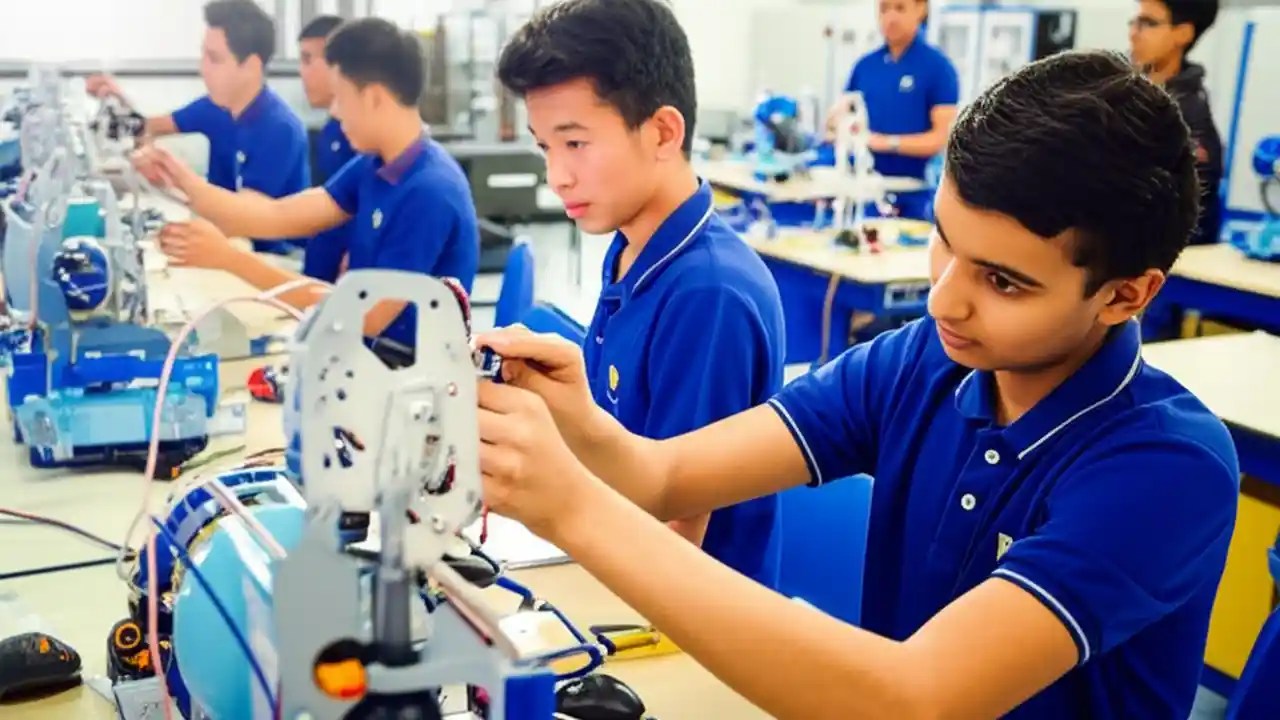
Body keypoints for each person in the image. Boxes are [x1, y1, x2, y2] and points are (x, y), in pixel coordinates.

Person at [475, 51, 1239, 718]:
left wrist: (570, 507)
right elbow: (667, 477)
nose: (943, 298)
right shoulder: (922, 362)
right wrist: (574, 417)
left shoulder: (1165, 466)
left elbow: (914, 699)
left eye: (1003, 282)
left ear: (1125, 295)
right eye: (944, 240)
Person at [494, 0, 786, 588]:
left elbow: (677, 536)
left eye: (575, 143)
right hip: (617, 571)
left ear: (662, 132)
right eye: (545, 147)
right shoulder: (633, 249)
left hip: (690, 629)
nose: (557, 176)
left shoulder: (709, 294)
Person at [133, 17, 479, 353]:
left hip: (406, 377)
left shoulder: (429, 191)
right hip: (363, 353)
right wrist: (179, 180)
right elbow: (275, 216)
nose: (337, 114)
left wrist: (230, 259)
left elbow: (366, 317)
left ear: (373, 98)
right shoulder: (374, 166)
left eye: (340, 98)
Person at [87, 0, 310, 255]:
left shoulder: (279, 128)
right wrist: (118, 98)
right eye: (203, 55)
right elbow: (145, 127)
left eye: (214, 59)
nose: (202, 68)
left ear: (251, 66)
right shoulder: (216, 107)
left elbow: (244, 220)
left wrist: (176, 178)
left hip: (270, 258)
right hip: (225, 243)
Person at [826, 0, 958, 220]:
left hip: (913, 196)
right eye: (884, 9)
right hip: (865, 191)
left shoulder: (938, 68)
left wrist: (886, 142)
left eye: (899, 8)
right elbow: (840, 119)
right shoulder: (866, 66)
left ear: (921, 9)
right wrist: (835, 126)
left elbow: (941, 138)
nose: (890, 17)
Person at [1129, 0, 1223, 245]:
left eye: (1148, 23)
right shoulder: (1122, 95)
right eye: (1135, 22)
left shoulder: (1189, 116)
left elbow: (1186, 208)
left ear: (1183, 33)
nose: (1134, 34)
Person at [295, 13, 357, 283]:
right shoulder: (330, 132)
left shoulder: (359, 139)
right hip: (319, 284)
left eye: (309, 59)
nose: (301, 71)